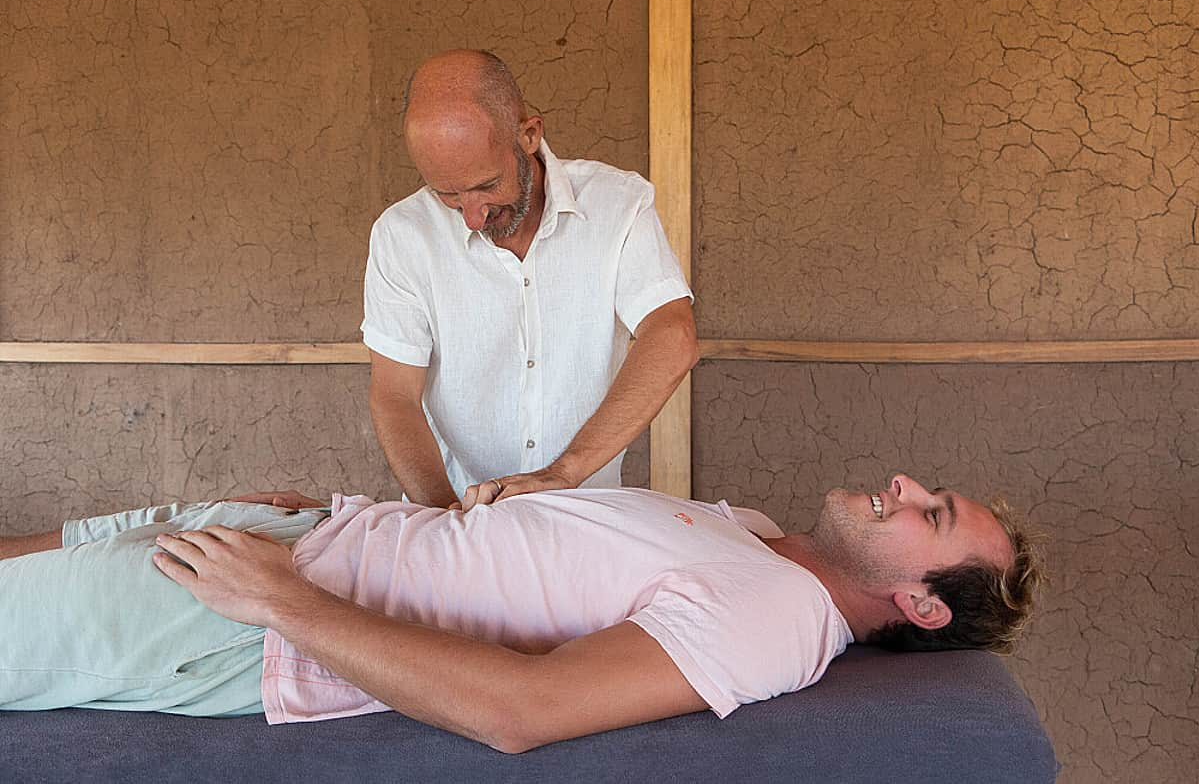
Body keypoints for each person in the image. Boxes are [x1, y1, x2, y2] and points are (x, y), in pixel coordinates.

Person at [0, 474, 1040, 753]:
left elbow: (522, 709)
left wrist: (284, 599)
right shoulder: (758, 534)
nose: (904, 482)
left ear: (918, 604)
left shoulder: (777, 618)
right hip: (283, 528)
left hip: (230, 610)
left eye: (930, 512)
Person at [362, 48, 698, 509]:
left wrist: (563, 473)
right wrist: (447, 525)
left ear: (529, 135)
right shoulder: (401, 236)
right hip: (451, 508)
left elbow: (672, 334)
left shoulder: (618, 205)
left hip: (586, 514)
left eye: (485, 186)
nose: (474, 217)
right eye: (448, 195)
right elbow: (395, 395)